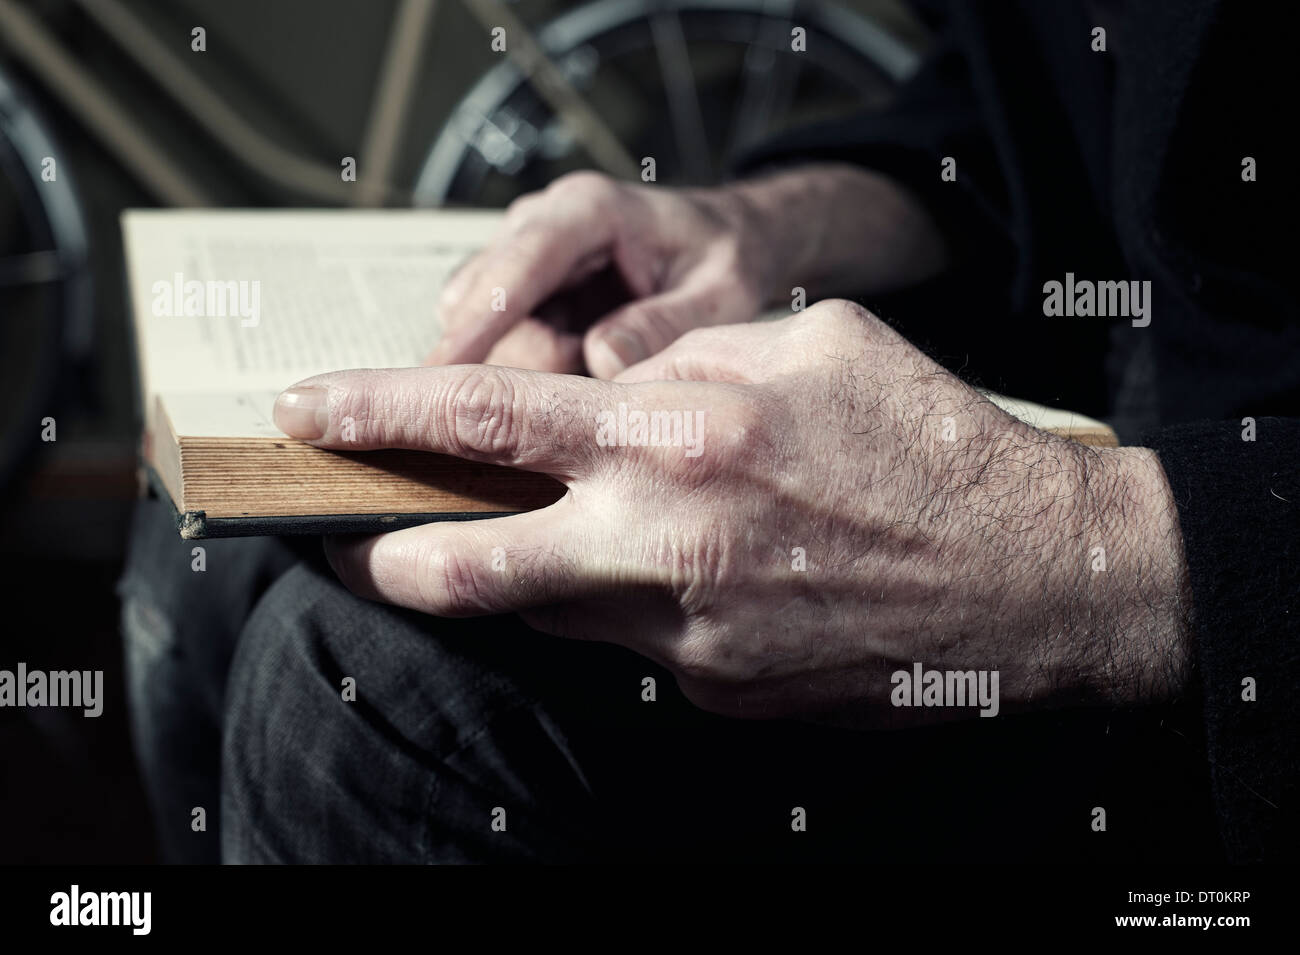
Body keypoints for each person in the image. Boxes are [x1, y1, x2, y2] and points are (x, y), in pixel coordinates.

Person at [119, 0, 1296, 863]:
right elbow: (1032, 99)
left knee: (372, 683)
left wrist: (1090, 556)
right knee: (218, 542)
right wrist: (763, 222)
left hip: (1223, 618)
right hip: (1098, 358)